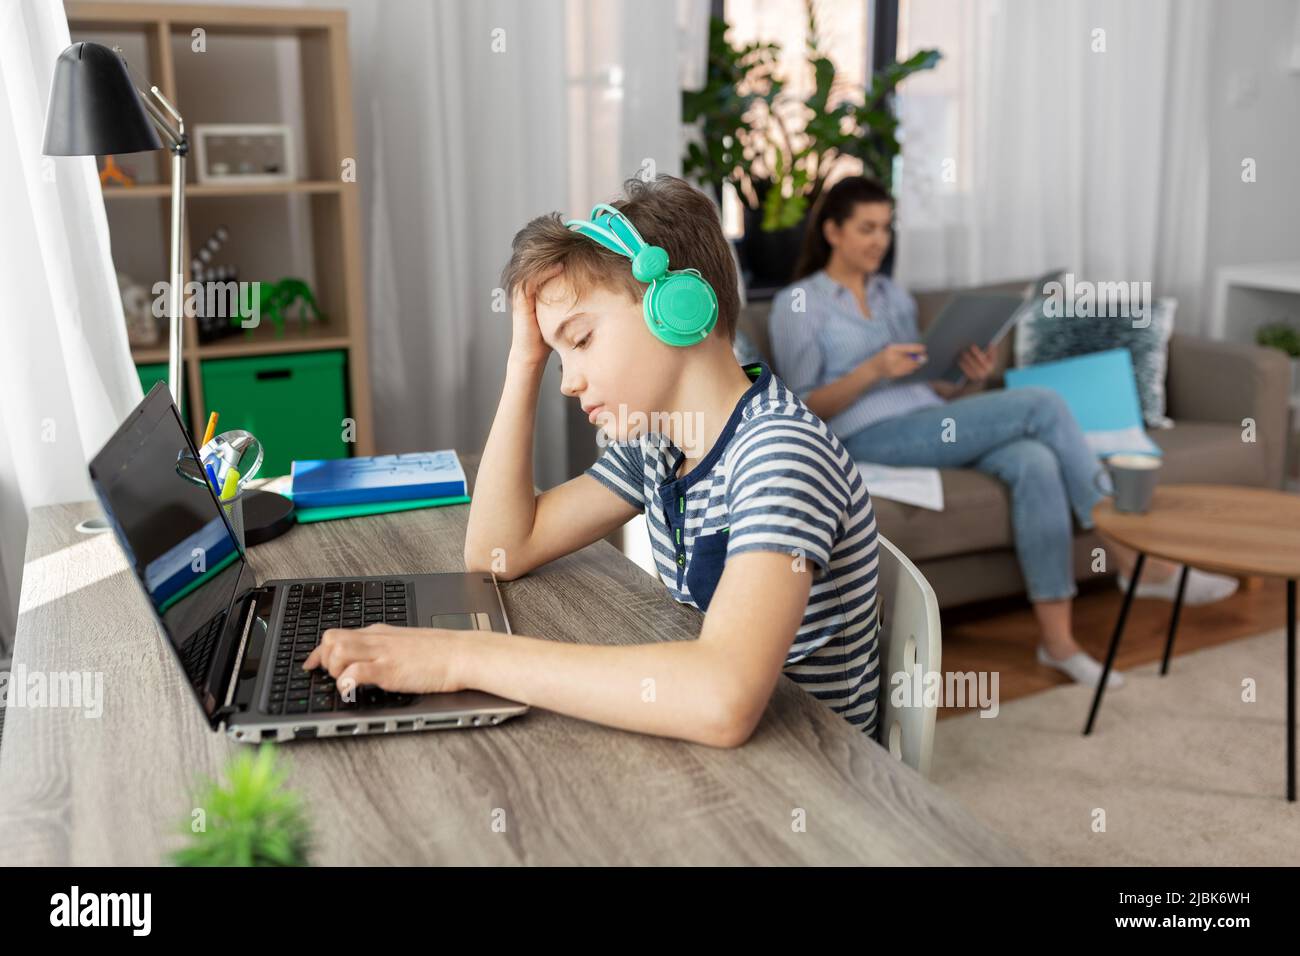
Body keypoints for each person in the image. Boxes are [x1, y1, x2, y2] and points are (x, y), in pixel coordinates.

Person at [306, 175, 883, 745]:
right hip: (726, 755)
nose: (568, 382)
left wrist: (462, 658)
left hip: (811, 778)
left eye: (581, 340)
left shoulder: (780, 452)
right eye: (559, 358)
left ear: (679, 308)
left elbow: (722, 699)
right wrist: (524, 361)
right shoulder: (660, 444)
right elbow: (500, 551)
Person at [768, 176, 1237, 688]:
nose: (879, 240)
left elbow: (930, 383)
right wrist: (872, 370)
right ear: (833, 231)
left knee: (1034, 460)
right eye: (867, 228)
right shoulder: (799, 303)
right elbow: (801, 406)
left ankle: (1058, 643)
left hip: (929, 419)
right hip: (866, 433)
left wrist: (966, 374)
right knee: (1043, 403)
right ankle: (1135, 558)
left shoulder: (892, 296)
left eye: (886, 227)